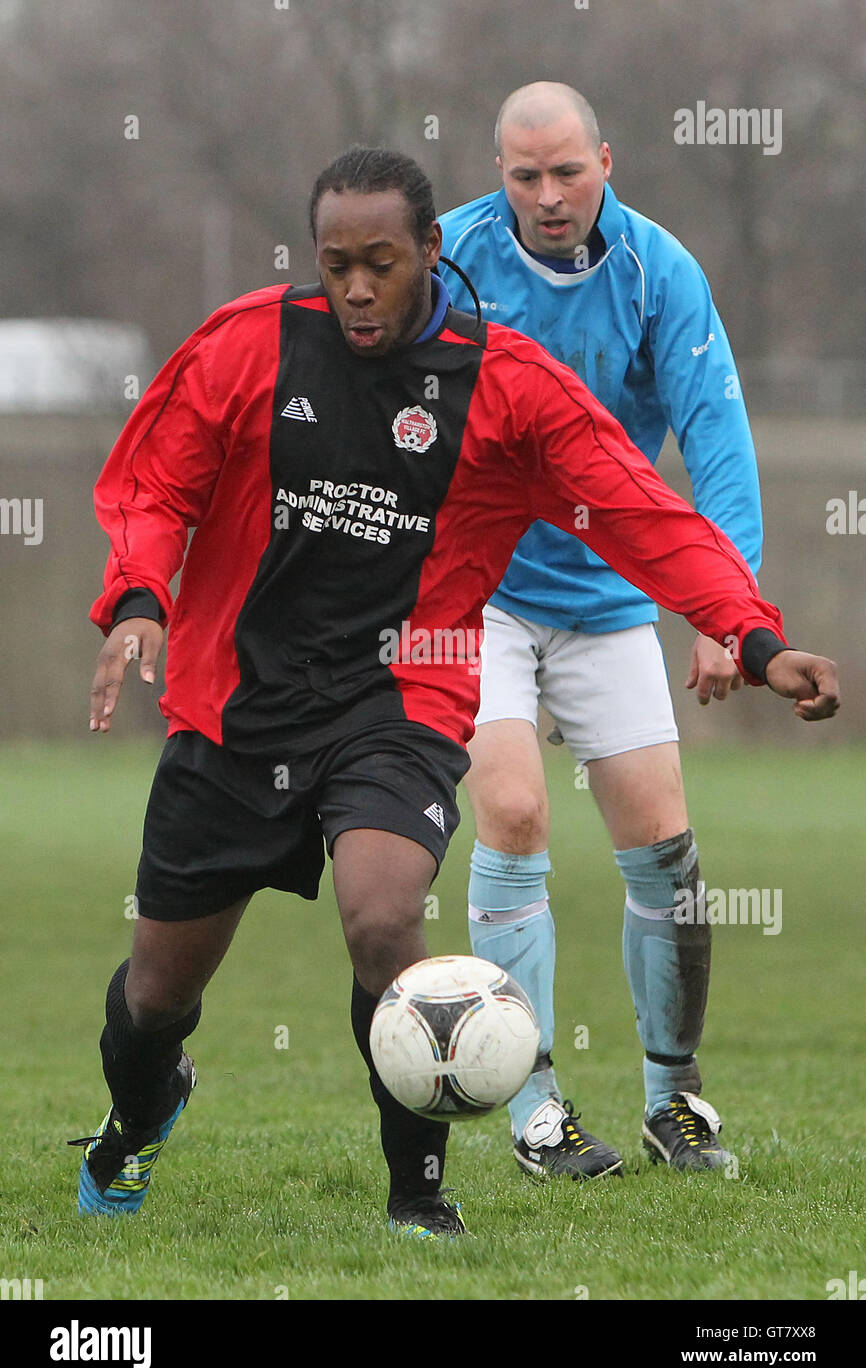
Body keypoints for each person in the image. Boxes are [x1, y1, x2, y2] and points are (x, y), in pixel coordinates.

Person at [73, 146, 838, 1241]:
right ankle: (137, 1118)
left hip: (398, 700)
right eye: (334, 262)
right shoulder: (251, 344)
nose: (354, 287)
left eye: (380, 262)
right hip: (234, 709)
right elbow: (156, 480)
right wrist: (140, 594)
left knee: (386, 924)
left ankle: (417, 1193)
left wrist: (751, 635)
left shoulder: (506, 383)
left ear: (432, 251)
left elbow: (636, 510)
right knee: (155, 997)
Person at [438, 82, 794, 1177]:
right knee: (509, 809)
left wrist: (723, 614)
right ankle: (533, 1103)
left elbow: (716, 443)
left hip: (608, 595)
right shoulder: (447, 263)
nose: (546, 196)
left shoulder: (659, 273)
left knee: (664, 853)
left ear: (606, 159)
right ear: (498, 173)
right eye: (522, 176)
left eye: (565, 172)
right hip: (477, 592)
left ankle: (670, 1101)